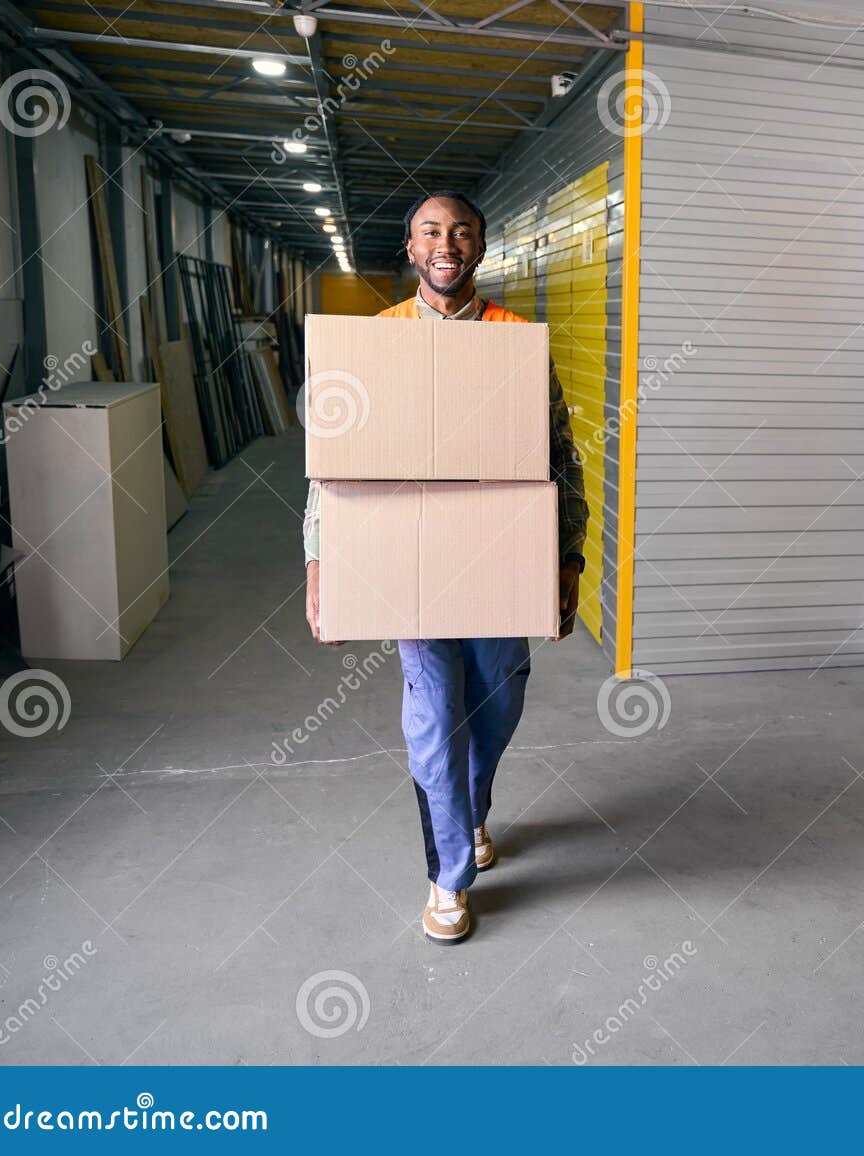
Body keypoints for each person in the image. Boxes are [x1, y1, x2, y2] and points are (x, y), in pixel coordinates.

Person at [302, 190, 588, 944]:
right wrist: (322, 568)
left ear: (482, 249)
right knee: (435, 718)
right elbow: (331, 470)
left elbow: (560, 457)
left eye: (461, 231)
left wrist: (569, 558)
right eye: (431, 230)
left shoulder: (515, 339)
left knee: (498, 704)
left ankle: (471, 809)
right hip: (410, 568)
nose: (446, 243)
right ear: (410, 247)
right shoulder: (380, 340)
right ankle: (449, 877)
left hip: (499, 563)